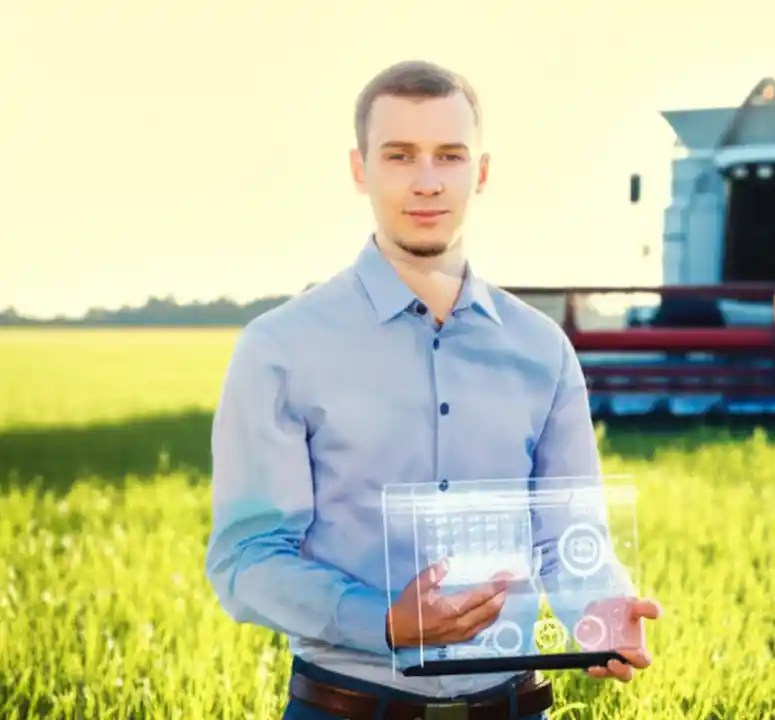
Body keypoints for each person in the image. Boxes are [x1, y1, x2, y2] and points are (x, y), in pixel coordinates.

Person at [204, 59, 663, 720]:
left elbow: (570, 537)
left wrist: (602, 610)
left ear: (481, 172)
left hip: (515, 706)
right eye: (400, 156)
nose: (426, 182)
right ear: (360, 169)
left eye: (449, 156)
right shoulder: (280, 349)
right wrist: (386, 621)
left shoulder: (542, 351)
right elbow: (245, 561)